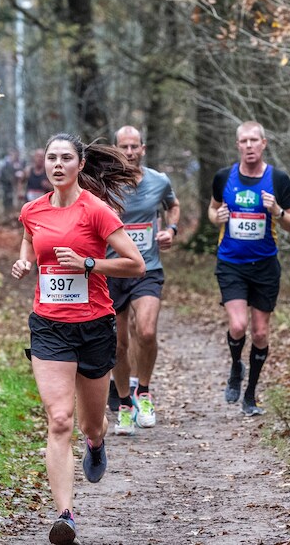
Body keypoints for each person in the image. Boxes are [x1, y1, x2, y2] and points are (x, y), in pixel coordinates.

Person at [10, 133, 144, 545]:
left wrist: (89, 263)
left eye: (66, 158)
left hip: (93, 326)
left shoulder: (97, 210)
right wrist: (25, 261)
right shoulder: (33, 210)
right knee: (59, 419)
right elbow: (30, 238)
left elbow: (135, 265)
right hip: (49, 326)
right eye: (51, 157)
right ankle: (65, 516)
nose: (58, 164)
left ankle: (97, 442)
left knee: (90, 422)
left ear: (80, 164)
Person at [207, 121, 290, 416]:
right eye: (244, 141)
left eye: (254, 140)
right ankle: (236, 367)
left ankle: (250, 395)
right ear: (238, 145)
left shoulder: (279, 180)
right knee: (238, 326)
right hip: (231, 264)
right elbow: (212, 210)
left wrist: (277, 211)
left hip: (265, 267)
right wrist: (217, 217)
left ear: (264, 143)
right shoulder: (224, 177)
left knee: (260, 334)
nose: (249, 145)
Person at [105, 126, 181, 435]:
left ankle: (144, 393)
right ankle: (125, 405)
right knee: (118, 345)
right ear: (115, 149)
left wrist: (171, 230)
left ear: (143, 149)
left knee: (146, 331)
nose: (130, 152)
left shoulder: (159, 181)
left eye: (134, 146)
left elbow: (173, 205)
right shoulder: (104, 185)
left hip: (147, 269)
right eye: (124, 146)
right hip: (112, 271)